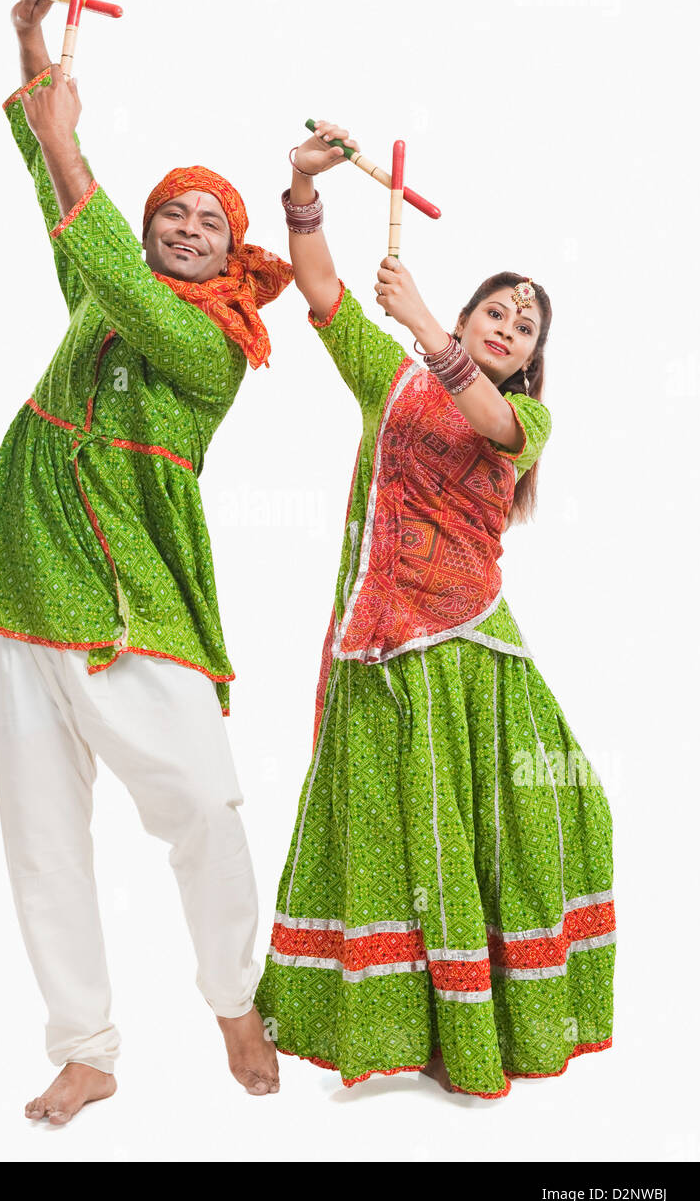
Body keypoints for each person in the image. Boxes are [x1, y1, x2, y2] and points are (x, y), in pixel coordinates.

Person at [0, 0, 290, 1122]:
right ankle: (85, 1046)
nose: (186, 232)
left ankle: (234, 992)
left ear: (233, 257)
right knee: (40, 828)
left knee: (200, 794)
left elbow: (98, 246)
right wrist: (35, 39)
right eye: (170, 218)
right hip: (23, 562)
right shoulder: (105, 289)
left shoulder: (216, 344)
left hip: (135, 585)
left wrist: (71, 143)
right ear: (145, 233)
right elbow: (59, 196)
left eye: (209, 226)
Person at [253, 122, 615, 1099]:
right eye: (495, 310)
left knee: (536, 816)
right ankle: (401, 1024)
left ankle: (494, 1014)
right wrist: (300, 189)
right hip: (379, 644)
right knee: (393, 832)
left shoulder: (526, 420)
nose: (507, 325)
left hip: (472, 655)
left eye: (523, 325)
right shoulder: (397, 380)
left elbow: (491, 422)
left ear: (531, 358)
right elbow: (323, 291)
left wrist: (434, 332)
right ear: (469, 313)